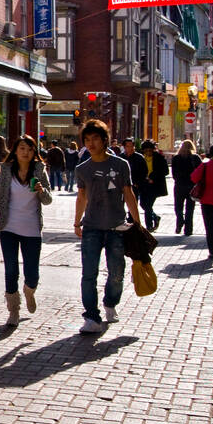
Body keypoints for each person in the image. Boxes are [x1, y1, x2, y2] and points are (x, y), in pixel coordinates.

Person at [74, 119, 143, 334]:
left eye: (95, 138)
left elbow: (128, 194)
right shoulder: (82, 169)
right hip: (92, 227)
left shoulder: (121, 165)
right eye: (87, 140)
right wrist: (77, 222)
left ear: (105, 140)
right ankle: (91, 317)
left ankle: (110, 303)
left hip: (116, 227)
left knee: (116, 272)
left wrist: (137, 222)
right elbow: (82, 196)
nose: (91, 143)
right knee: (89, 274)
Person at [0, 135, 52, 326]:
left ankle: (29, 291)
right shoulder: (7, 171)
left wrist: (42, 191)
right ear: (15, 151)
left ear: (34, 152)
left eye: (29, 149)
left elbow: (48, 200)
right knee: (11, 270)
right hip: (9, 228)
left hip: (32, 229)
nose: (26, 153)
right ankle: (14, 311)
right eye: (22, 149)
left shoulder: (39, 170)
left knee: (32, 273)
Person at [170, 139, 201, 236]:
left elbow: (174, 173)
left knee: (178, 206)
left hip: (179, 185)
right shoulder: (195, 158)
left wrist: (178, 179)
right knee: (190, 208)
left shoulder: (176, 158)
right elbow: (200, 172)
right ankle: (188, 230)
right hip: (192, 186)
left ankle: (179, 220)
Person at [139, 139, 169, 230]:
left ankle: (149, 226)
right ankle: (155, 217)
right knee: (143, 204)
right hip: (143, 185)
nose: (148, 152)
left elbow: (165, 171)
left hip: (154, 186)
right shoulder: (140, 158)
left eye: (150, 150)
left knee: (148, 205)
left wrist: (153, 177)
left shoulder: (159, 158)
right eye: (146, 150)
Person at [121, 138, 150, 226]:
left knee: (133, 205)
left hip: (134, 186)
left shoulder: (139, 158)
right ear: (124, 147)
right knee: (120, 205)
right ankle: (121, 221)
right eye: (128, 146)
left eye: (132, 146)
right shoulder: (120, 158)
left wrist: (138, 183)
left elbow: (144, 171)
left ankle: (132, 223)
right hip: (121, 187)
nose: (130, 148)